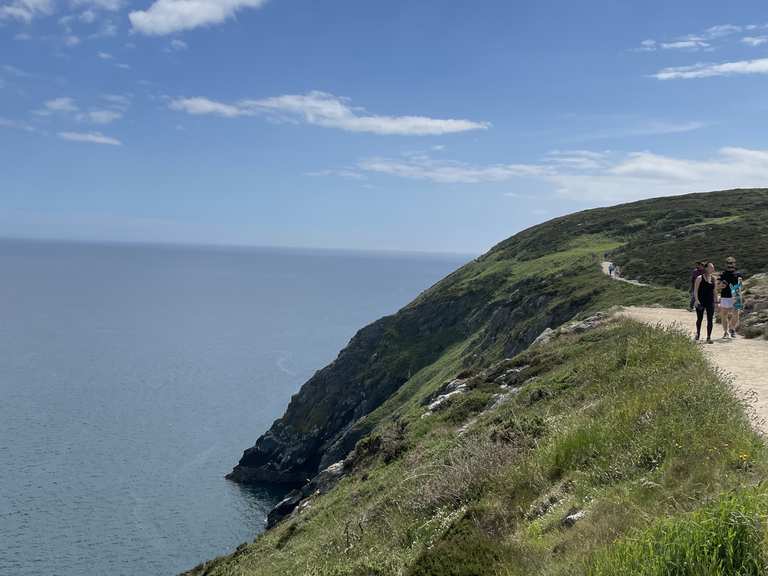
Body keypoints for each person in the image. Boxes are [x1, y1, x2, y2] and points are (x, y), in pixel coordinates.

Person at [719, 256, 743, 339]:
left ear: (734, 263)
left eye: (732, 263)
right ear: (726, 264)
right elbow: (719, 286)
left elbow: (740, 285)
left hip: (736, 296)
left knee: (736, 314)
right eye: (729, 263)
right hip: (725, 296)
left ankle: (732, 329)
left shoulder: (738, 274)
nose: (730, 265)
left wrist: (740, 294)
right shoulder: (722, 274)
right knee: (724, 315)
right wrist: (722, 285)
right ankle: (725, 332)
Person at [694, 262, 717, 344]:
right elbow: (695, 291)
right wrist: (697, 300)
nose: (713, 269)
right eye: (711, 267)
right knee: (699, 319)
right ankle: (698, 334)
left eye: (713, 268)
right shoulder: (699, 278)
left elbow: (715, 291)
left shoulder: (714, 279)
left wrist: (716, 301)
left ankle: (709, 337)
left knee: (710, 319)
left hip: (710, 301)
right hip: (701, 301)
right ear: (706, 268)